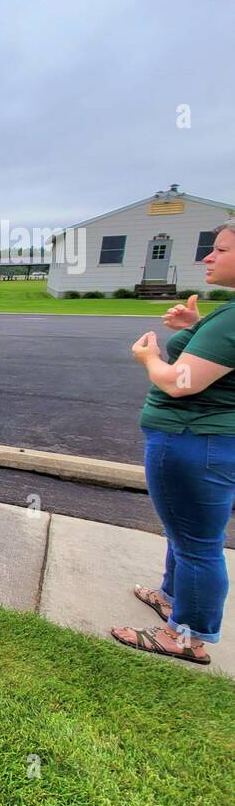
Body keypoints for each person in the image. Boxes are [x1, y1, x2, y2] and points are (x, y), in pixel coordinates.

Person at [116, 220, 235, 665]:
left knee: (198, 543)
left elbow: (180, 383)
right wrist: (199, 325)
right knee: (185, 531)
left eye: (220, 250)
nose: (209, 256)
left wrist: (151, 358)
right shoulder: (227, 317)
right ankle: (171, 599)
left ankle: (186, 636)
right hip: (204, 441)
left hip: (193, 441)